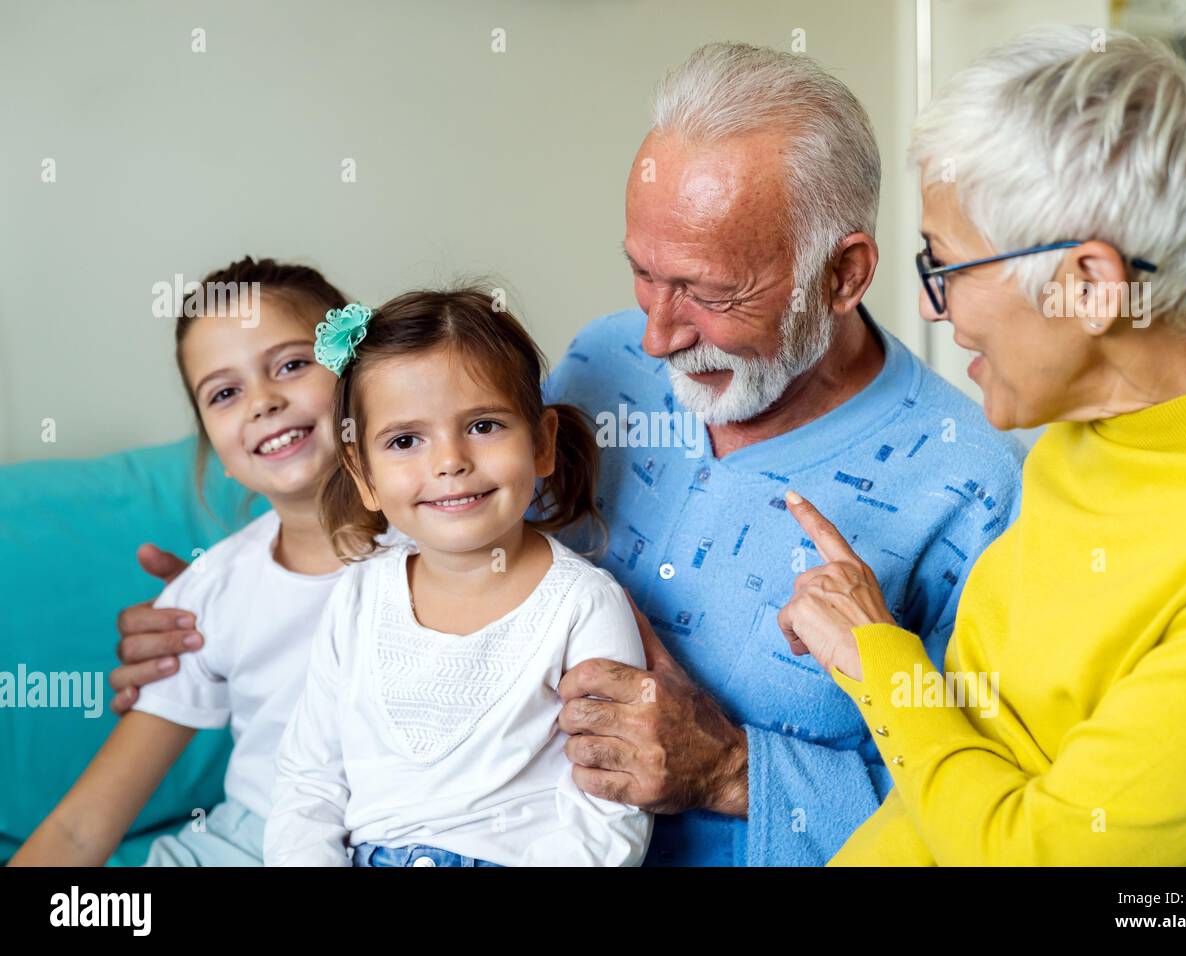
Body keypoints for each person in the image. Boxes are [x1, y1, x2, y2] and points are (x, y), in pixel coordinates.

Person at [111, 43, 1026, 866]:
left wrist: (735, 773)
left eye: (707, 292)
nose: (659, 336)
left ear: (844, 273)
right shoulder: (603, 360)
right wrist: (232, 597)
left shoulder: (972, 487)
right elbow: (440, 498)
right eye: (643, 272)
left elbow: (1007, 822)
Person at [778, 26, 1186, 865]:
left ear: (1090, 286)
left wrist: (880, 660)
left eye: (945, 265)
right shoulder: (1099, 418)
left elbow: (1041, 855)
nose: (930, 309)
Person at [264, 289, 651, 867]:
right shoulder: (360, 596)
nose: (450, 461)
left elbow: (608, 809)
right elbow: (310, 781)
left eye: (484, 425)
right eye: (404, 441)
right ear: (364, 475)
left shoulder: (584, 604)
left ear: (543, 443)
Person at [11, 258, 351, 865]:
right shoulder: (209, 592)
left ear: (363, 374)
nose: (264, 401)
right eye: (224, 393)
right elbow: (81, 829)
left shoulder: (457, 543)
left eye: (293, 364)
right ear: (214, 447)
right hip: (247, 845)